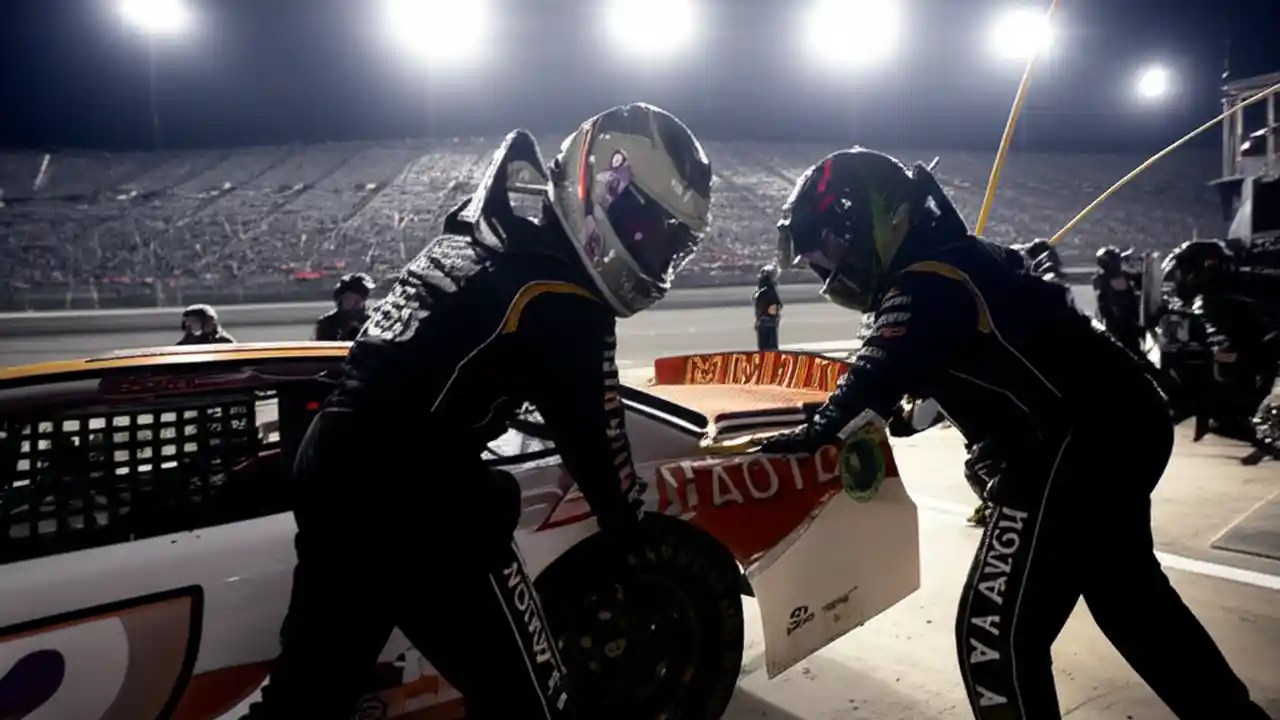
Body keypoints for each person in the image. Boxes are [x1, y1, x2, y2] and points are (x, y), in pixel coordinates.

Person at [755, 147, 1270, 719]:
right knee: (1131, 602)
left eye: (828, 248)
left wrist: (803, 440)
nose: (827, 271)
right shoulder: (957, 261)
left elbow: (865, 387)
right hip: (1118, 425)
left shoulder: (924, 281)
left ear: (866, 220)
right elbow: (967, 367)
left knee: (993, 637)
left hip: (1072, 444)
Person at [242, 103, 713, 719]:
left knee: (306, 699)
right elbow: (602, 456)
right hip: (415, 500)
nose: (655, 259)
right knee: (536, 703)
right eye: (651, 233)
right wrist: (640, 557)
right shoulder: (566, 299)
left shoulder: (477, 236)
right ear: (602, 192)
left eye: (671, 247)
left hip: (331, 462)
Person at [1165, 240, 1279, 464]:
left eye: (1185, 271)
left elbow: (1235, 353)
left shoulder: (1224, 299)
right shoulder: (1237, 289)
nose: (1180, 278)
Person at [1093, 245, 1144, 354]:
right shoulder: (1115, 279)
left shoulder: (1102, 278)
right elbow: (1122, 306)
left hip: (1113, 326)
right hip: (1122, 329)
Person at [314, 272, 375, 341]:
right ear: (341, 298)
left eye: (360, 299)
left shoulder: (371, 322)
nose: (356, 303)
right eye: (351, 298)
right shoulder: (327, 323)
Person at [753, 264, 783, 350]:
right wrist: (775, 317)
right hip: (769, 322)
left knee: (763, 347)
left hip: (762, 321)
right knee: (771, 347)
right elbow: (774, 305)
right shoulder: (770, 290)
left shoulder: (760, 290)